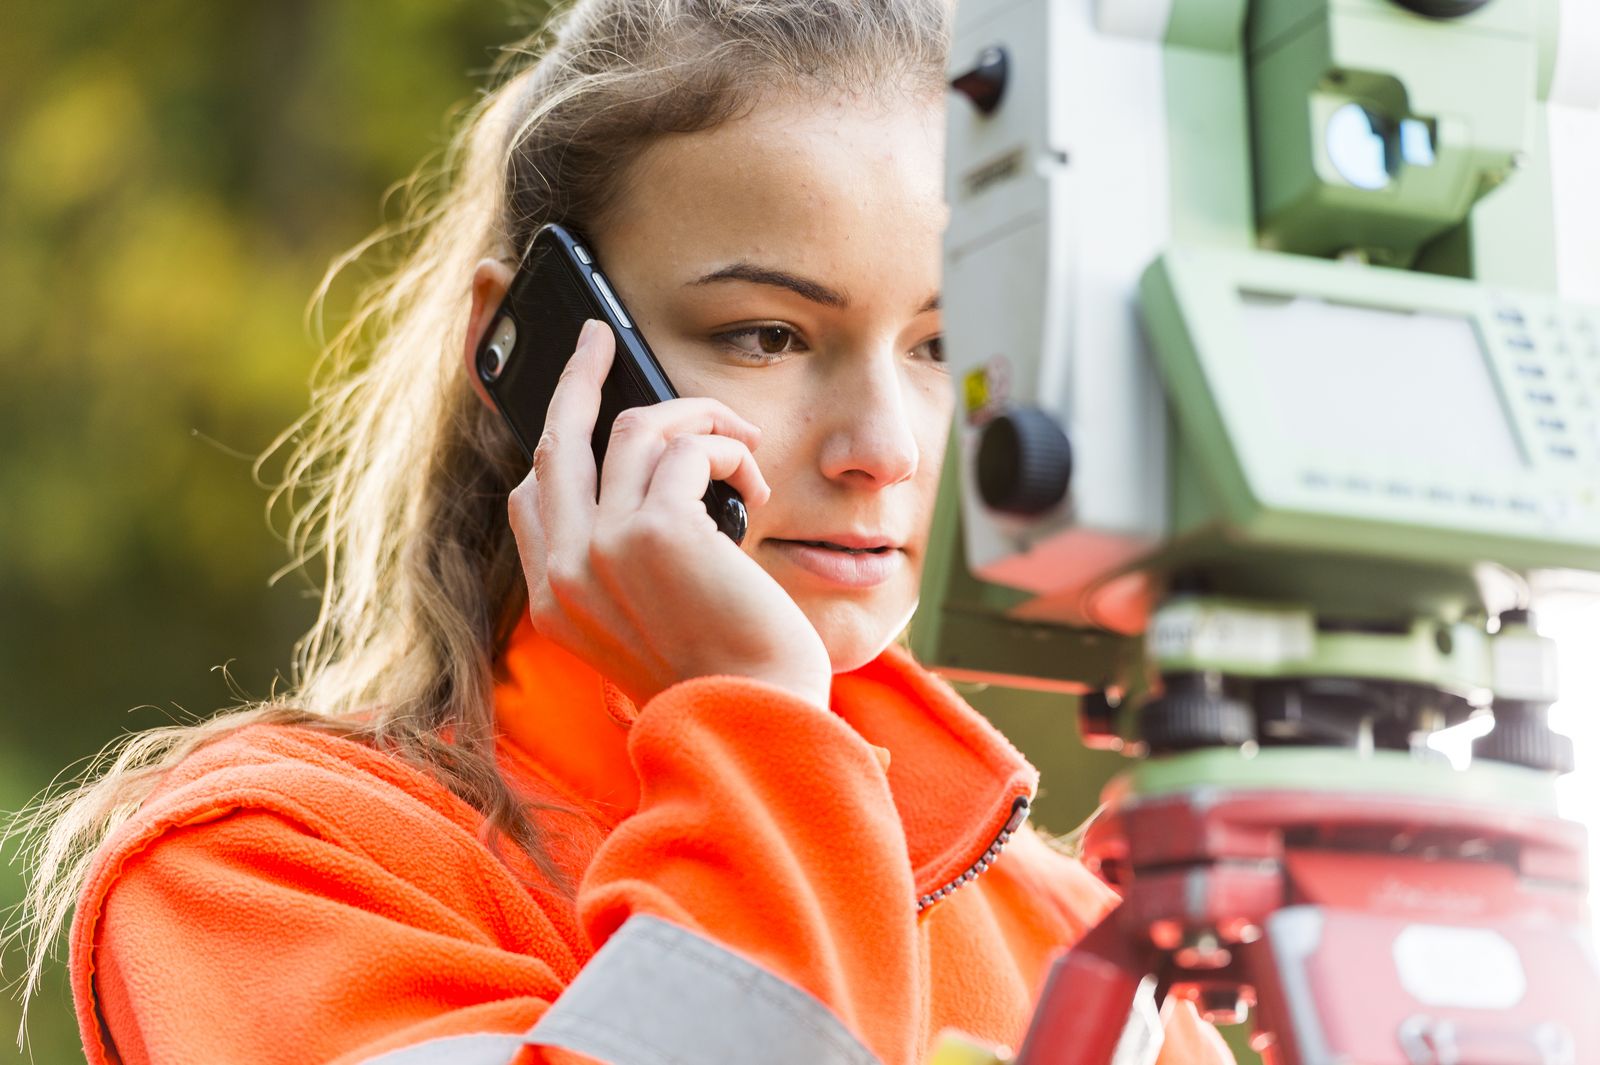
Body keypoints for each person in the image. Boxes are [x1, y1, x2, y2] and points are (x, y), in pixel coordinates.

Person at [17, 0, 1236, 1061]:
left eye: (943, 345)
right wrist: (751, 721)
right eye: (767, 335)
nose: (883, 446)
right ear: (531, 347)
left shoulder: (1088, 957)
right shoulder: (267, 868)